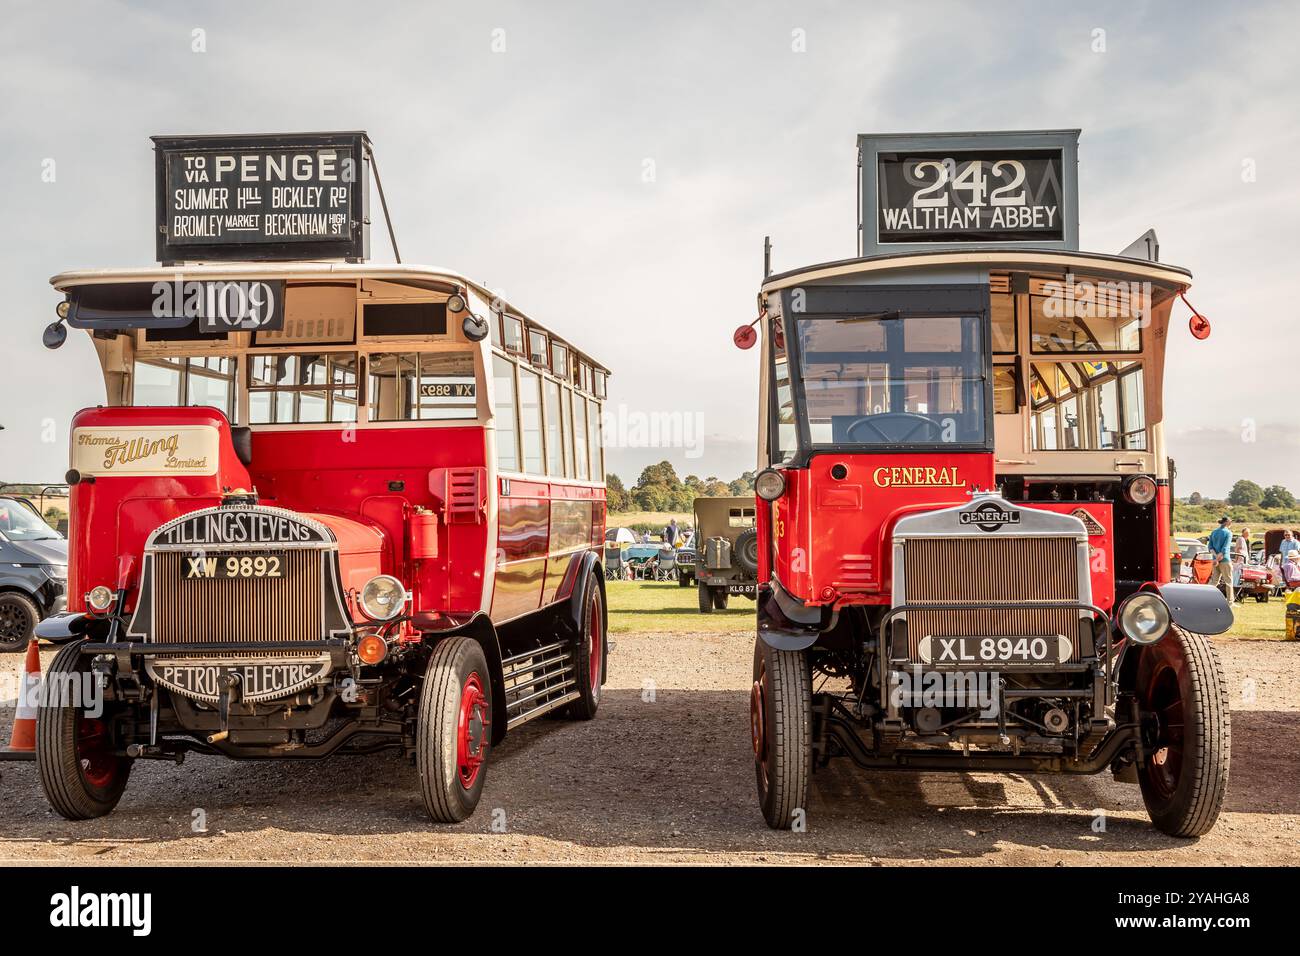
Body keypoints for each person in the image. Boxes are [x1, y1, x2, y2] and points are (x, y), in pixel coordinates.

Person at [1207, 516, 1234, 602]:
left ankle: (1207, 598)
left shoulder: (1214, 532)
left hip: (1215, 560)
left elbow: (1210, 546)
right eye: (1230, 521)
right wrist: (1218, 559)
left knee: (1214, 581)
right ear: (1226, 522)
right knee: (1228, 581)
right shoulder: (1228, 533)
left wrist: (1215, 558)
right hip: (1224, 560)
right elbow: (1225, 548)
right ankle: (1230, 601)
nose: (1231, 523)